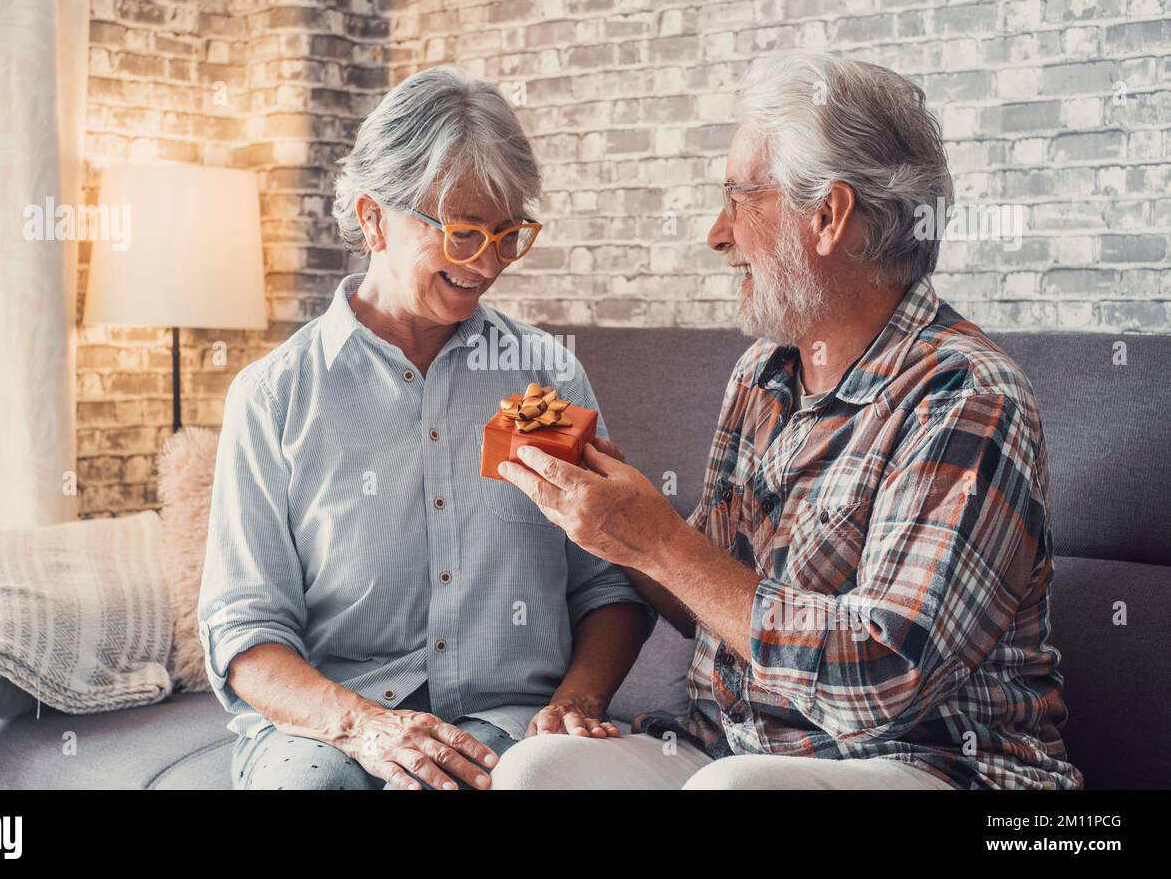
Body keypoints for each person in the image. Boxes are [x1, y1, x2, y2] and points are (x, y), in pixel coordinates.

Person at [491, 52, 1083, 790]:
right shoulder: (764, 375)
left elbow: (884, 678)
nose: (716, 233)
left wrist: (664, 542)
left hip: (933, 765)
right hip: (728, 749)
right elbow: (707, 596)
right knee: (535, 770)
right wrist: (598, 512)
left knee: (735, 791)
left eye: (740, 198)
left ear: (828, 216)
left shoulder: (965, 396)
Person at [198, 66, 652, 791]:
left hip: (509, 722)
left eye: (508, 235)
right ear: (373, 218)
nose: (489, 263)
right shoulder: (275, 397)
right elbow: (245, 634)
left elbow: (609, 586)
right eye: (464, 232)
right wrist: (365, 727)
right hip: (330, 726)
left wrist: (577, 700)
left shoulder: (544, 377)